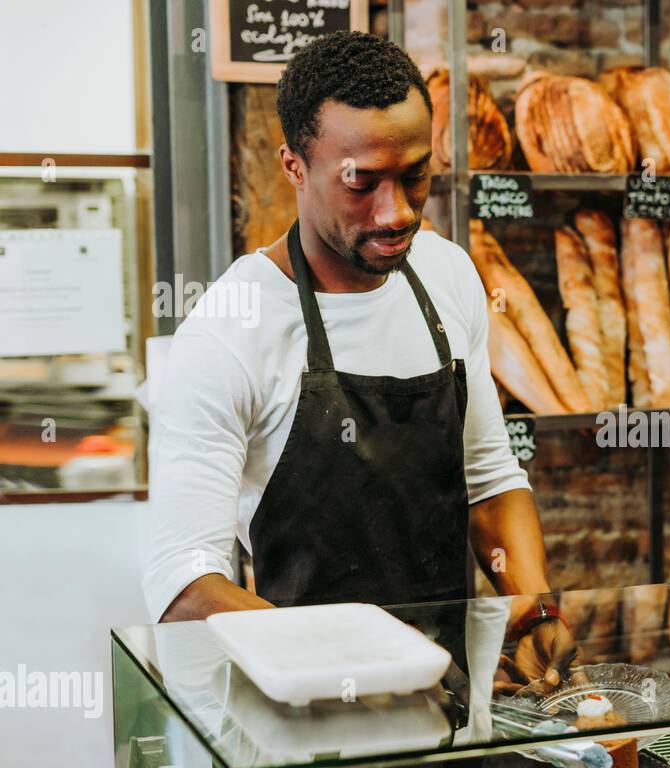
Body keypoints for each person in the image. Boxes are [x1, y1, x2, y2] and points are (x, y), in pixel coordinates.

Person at [143, 31, 575, 688]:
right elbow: (182, 581)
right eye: (361, 183)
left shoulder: (447, 276)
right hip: (306, 719)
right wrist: (362, 669)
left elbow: (490, 481)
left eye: (415, 176)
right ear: (294, 167)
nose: (396, 211)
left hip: (452, 703)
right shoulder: (229, 330)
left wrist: (533, 605)